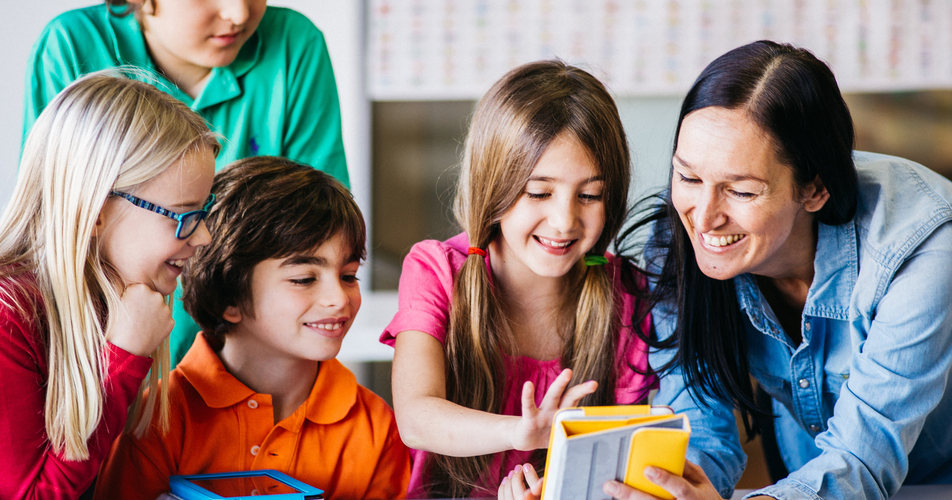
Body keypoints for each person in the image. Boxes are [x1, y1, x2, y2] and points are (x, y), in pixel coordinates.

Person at [608, 40, 952, 500]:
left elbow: (863, 459)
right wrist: (668, 489)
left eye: (742, 192)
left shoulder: (922, 249)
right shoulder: (675, 242)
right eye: (688, 177)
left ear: (814, 189)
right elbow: (696, 426)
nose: (703, 217)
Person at [381, 59, 657, 498]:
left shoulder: (629, 297)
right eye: (539, 192)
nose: (565, 220)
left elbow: (620, 467)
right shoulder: (438, 270)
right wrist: (522, 433)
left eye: (589, 195)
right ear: (495, 185)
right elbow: (417, 418)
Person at [23, 0, 349, 366]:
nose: (239, 14)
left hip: (250, 357)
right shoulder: (72, 43)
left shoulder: (293, 42)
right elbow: (59, 232)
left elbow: (320, 233)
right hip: (105, 349)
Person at [94, 157, 411, 500]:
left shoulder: (377, 427)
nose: (339, 298)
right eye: (304, 279)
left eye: (348, 276)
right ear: (230, 297)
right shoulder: (158, 418)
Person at [0, 72, 217, 498]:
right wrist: (123, 359)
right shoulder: (2, 315)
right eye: (184, 215)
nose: (203, 236)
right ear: (94, 210)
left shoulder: (109, 304)